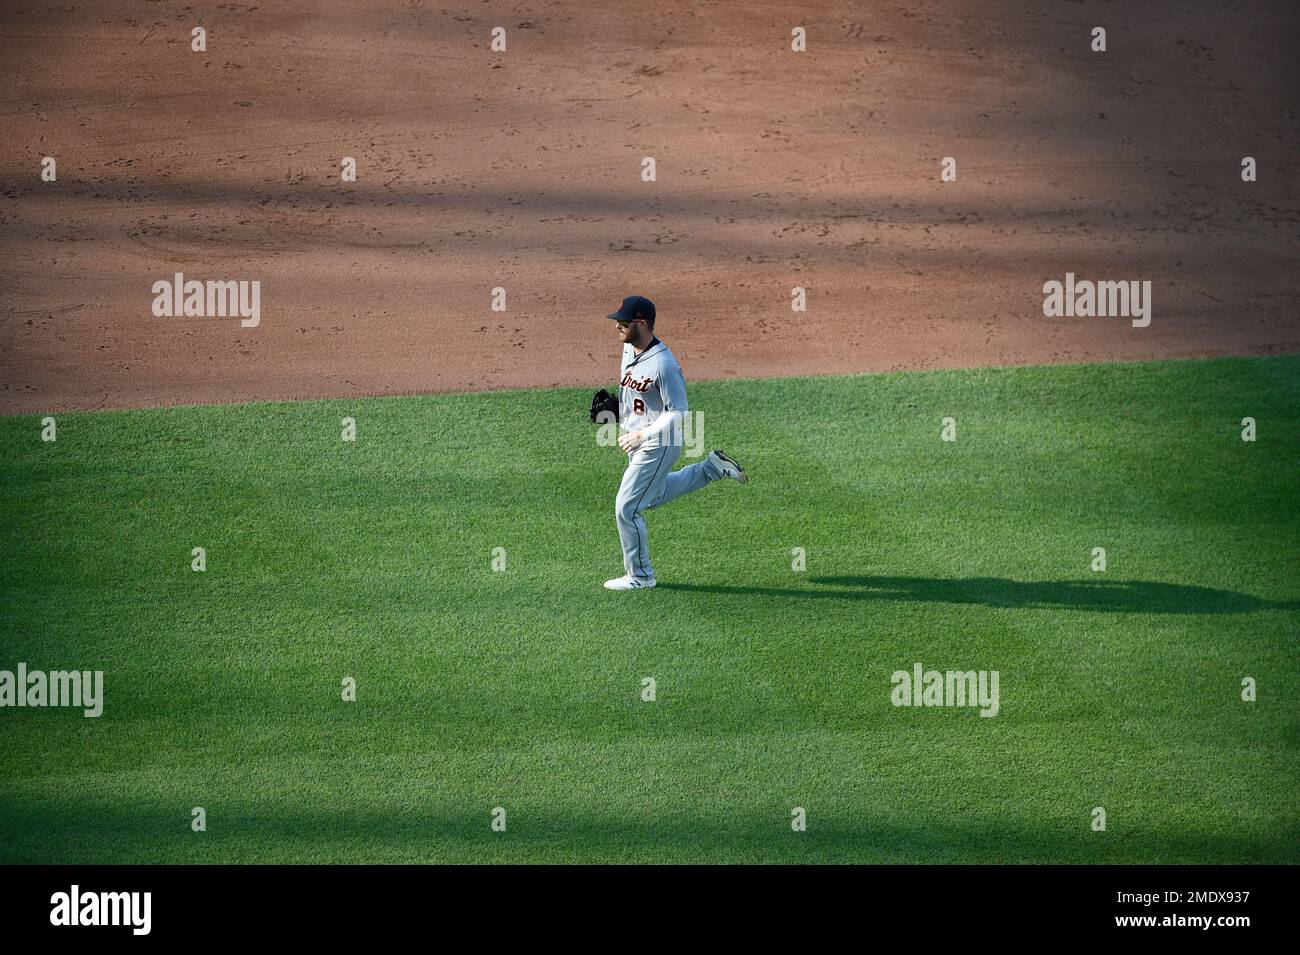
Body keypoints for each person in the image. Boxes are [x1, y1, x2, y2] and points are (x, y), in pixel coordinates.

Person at [600, 295, 748, 591]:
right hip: (638, 439)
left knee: (626, 508)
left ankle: (641, 576)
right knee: (652, 496)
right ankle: (712, 468)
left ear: (641, 323)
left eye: (624, 321)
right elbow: (637, 396)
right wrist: (618, 410)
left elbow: (678, 413)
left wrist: (642, 435)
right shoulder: (629, 350)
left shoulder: (664, 364)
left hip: (659, 443)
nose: (617, 325)